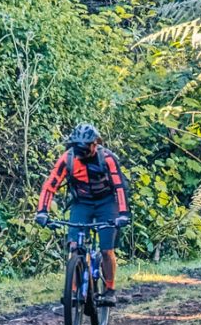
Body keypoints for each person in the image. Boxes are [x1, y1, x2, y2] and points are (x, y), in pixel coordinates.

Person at [34, 123, 131, 305]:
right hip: (82, 203)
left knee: (105, 249)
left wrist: (123, 214)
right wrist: (42, 211)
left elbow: (119, 186)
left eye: (85, 148)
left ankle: (109, 289)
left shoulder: (107, 158)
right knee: (74, 245)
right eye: (78, 148)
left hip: (106, 203)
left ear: (95, 144)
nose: (82, 153)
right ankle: (72, 290)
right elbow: (50, 185)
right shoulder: (68, 159)